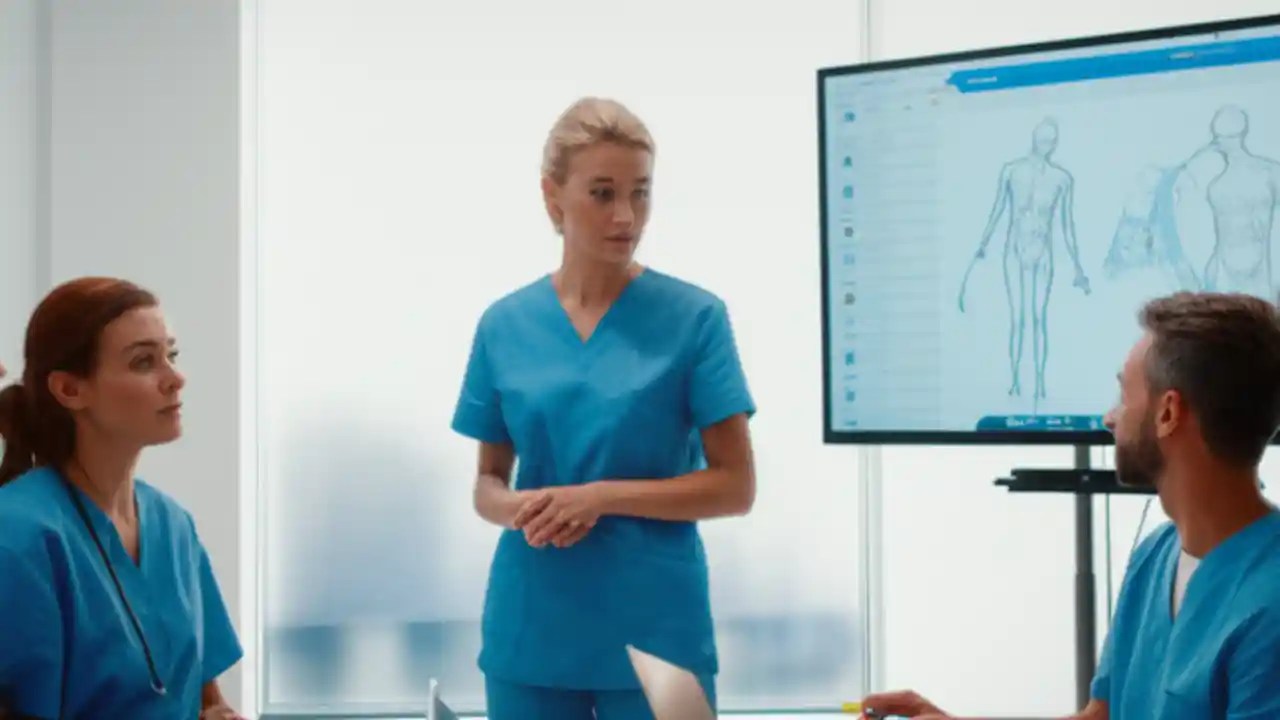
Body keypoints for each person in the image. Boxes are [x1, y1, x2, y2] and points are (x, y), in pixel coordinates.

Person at [451, 97, 757, 720]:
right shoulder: (503, 324)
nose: (626, 216)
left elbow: (735, 487)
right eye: (602, 193)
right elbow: (487, 483)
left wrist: (596, 497)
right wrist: (518, 508)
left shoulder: (696, 319)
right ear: (552, 197)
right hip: (529, 630)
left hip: (661, 637)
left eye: (640, 193)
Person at [861, 292, 1280, 719]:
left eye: (1124, 395)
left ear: (1168, 412)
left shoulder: (1270, 606)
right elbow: (1100, 717)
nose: (1109, 418)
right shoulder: (1156, 555)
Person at [0, 277, 245, 719]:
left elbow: (208, 698)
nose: (176, 377)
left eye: (171, 355)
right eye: (143, 362)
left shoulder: (174, 526)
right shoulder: (18, 533)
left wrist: (218, 712)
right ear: (70, 390)